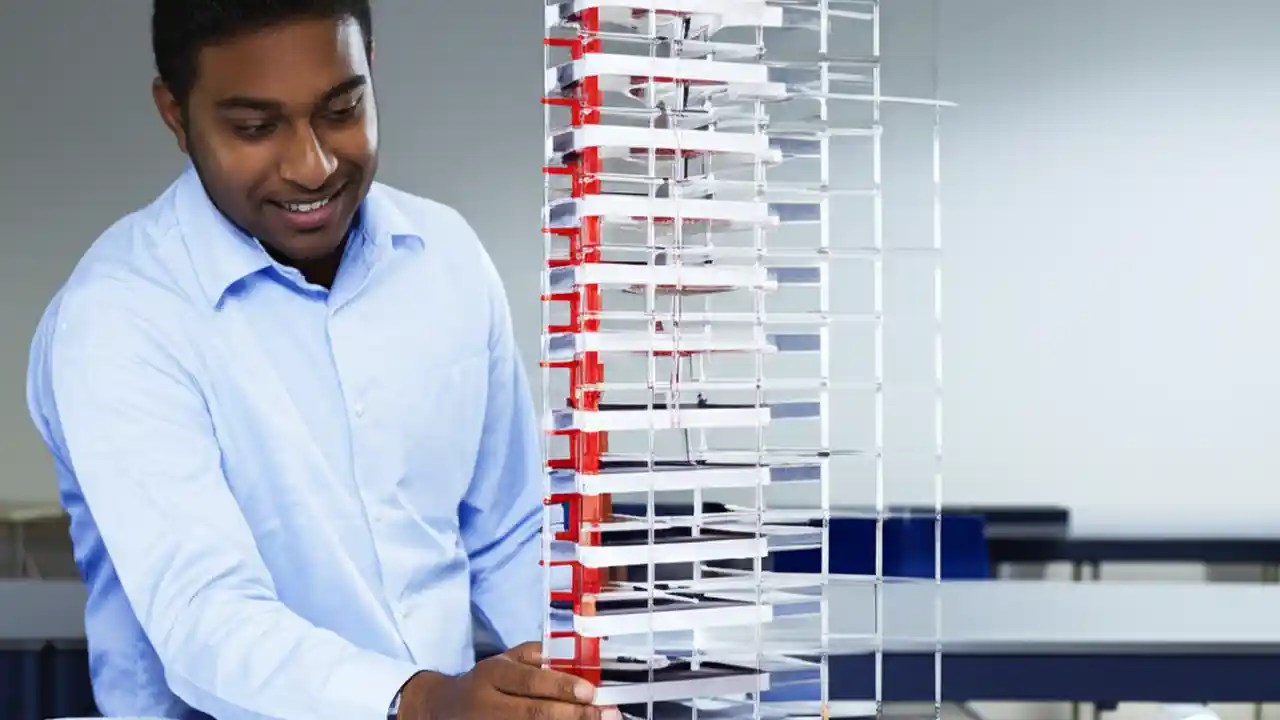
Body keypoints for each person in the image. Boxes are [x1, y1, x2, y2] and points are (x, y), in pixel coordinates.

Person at [24, 2, 616, 719]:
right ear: (175, 115)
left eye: (341, 109)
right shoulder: (118, 316)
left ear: (371, 69)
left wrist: (567, 691)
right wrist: (425, 705)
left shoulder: (445, 256)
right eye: (255, 128)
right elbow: (206, 619)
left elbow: (510, 532)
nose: (314, 166)